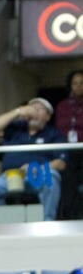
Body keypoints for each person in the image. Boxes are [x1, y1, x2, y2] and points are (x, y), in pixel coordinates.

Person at [0, 97, 67, 222]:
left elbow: (60, 163)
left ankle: (47, 222)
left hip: (37, 176)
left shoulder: (54, 134)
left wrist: (36, 168)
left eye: (39, 109)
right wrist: (18, 112)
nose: (34, 112)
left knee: (53, 176)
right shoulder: (16, 127)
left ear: (48, 116)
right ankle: (10, 222)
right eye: (32, 108)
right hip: (11, 176)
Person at [54, 70, 83, 220]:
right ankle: (69, 217)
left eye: (81, 83)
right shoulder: (62, 106)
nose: (78, 86)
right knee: (67, 182)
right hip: (67, 151)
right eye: (75, 83)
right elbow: (59, 128)